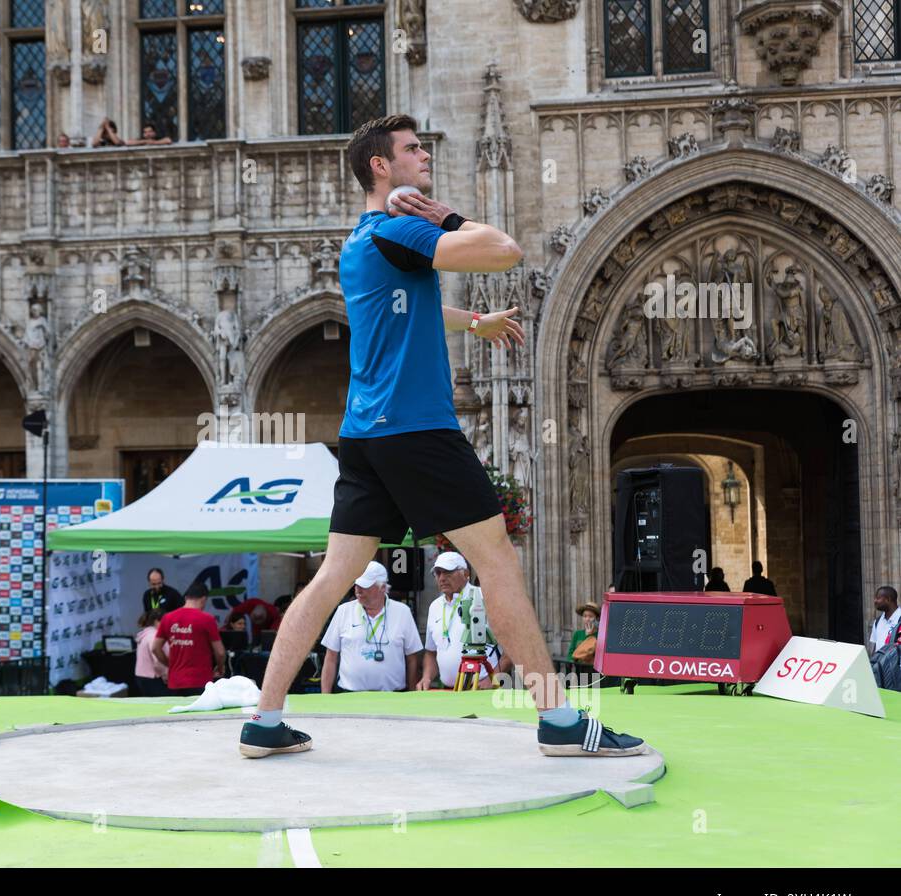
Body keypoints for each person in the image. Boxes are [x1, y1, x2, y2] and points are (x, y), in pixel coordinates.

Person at [239, 113, 646, 759]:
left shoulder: (361, 243)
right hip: (418, 428)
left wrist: (475, 320)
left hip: (365, 435)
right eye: (411, 149)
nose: (423, 155)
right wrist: (449, 217)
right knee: (499, 562)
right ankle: (560, 719)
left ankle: (263, 720)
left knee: (333, 575)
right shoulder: (402, 228)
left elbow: (405, 307)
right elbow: (505, 249)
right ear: (381, 166)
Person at [320, 561, 422, 693]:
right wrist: (325, 696)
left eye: (364, 585)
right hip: (350, 696)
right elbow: (330, 657)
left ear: (383, 587)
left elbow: (412, 658)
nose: (358, 589)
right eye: (357, 584)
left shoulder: (403, 612)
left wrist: (412, 695)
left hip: (393, 697)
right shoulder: (343, 611)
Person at [417, 551, 509, 690]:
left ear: (466, 574)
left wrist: (493, 679)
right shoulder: (434, 606)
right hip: (448, 691)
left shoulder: (485, 598)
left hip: (481, 689)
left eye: (448, 572)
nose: (442, 578)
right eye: (438, 573)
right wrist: (427, 677)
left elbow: (512, 648)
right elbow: (431, 652)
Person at [152, 583, 225, 696]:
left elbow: (155, 648)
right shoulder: (207, 619)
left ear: (186, 598)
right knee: (200, 714)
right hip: (200, 681)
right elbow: (220, 652)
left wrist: (170, 665)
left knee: (177, 713)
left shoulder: (168, 618)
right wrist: (220, 667)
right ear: (204, 599)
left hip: (175, 681)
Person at [134, 608, 168, 696]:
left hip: (141, 677)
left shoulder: (145, 634)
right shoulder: (154, 636)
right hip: (153, 678)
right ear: (157, 621)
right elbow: (157, 660)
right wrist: (165, 675)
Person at [868, 586, 901, 658]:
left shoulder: (899, 618)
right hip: (880, 666)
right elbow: (873, 646)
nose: (875, 601)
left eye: (878, 598)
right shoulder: (877, 621)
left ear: (888, 599)